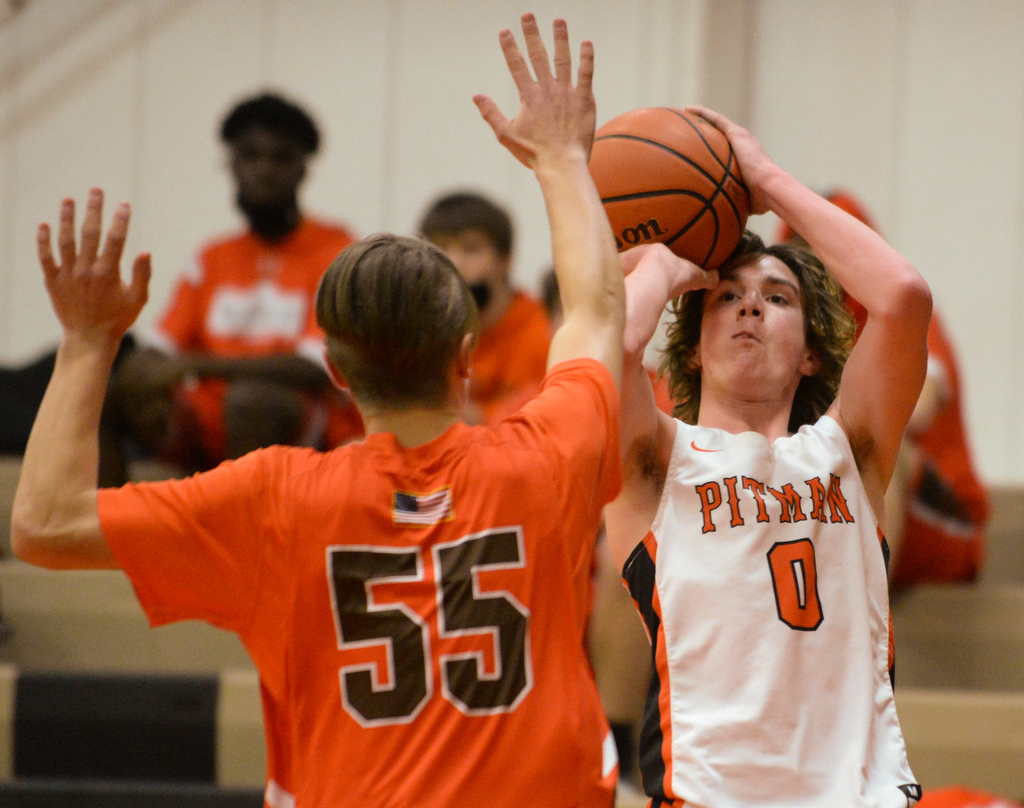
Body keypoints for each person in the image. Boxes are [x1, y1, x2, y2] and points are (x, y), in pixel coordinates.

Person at [12, 14, 625, 808]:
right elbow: (596, 312)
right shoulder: (547, 458)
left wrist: (88, 344)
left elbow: (43, 525)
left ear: (334, 370)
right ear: (466, 356)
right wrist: (562, 160)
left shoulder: (272, 500)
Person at [603, 106, 931, 806]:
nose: (751, 308)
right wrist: (659, 264)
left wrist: (765, 179)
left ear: (812, 352)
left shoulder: (851, 451)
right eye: (728, 297)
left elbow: (902, 297)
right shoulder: (659, 460)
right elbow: (611, 351)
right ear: (691, 345)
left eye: (777, 298)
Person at [108, 91, 361, 480]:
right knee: (103, 391)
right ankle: (102, 529)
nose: (264, 170)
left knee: (251, 401)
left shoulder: (336, 249)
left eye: (280, 158)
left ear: (302, 169)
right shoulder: (212, 256)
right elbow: (162, 350)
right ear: (230, 164)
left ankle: (241, 530)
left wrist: (193, 365)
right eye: (250, 156)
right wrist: (136, 371)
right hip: (210, 417)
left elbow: (317, 367)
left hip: (299, 420)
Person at [778, 190, 989, 590]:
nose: (816, 261)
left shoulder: (898, 311)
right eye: (804, 246)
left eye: (828, 241)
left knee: (872, 445)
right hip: (839, 510)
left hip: (944, 520)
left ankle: (860, 631)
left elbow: (918, 403)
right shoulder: (787, 326)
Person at [418, 190, 551, 425]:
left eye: (471, 249)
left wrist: (481, 417)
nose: (454, 263)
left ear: (505, 260)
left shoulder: (543, 332)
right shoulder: (418, 331)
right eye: (440, 249)